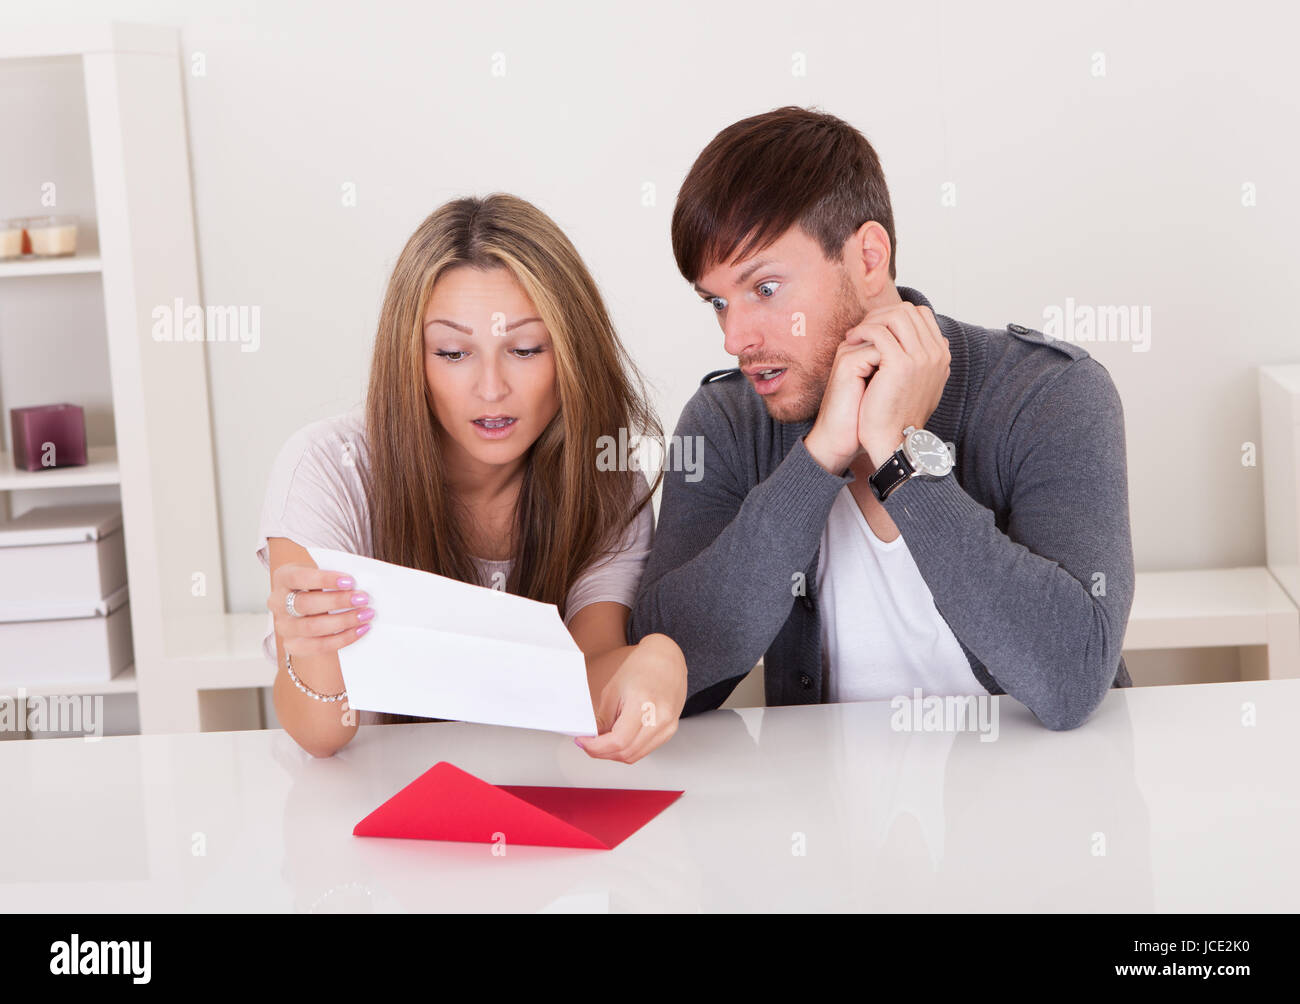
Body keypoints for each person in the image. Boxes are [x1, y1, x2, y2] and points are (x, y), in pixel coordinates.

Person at [628, 106, 1135, 730]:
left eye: (764, 289)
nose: (735, 338)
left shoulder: (1050, 393)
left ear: (868, 257)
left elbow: (1070, 680)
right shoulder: (727, 423)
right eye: (717, 302)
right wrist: (817, 460)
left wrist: (902, 455)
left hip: (1036, 811)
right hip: (827, 821)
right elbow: (672, 671)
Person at [257, 193, 686, 761]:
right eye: (454, 352)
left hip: (541, 799)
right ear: (411, 358)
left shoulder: (604, 478)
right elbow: (321, 734)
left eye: (526, 348)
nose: (490, 388)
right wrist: (311, 644)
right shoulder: (327, 468)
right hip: (380, 805)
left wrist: (657, 658)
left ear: (572, 355)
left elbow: (583, 676)